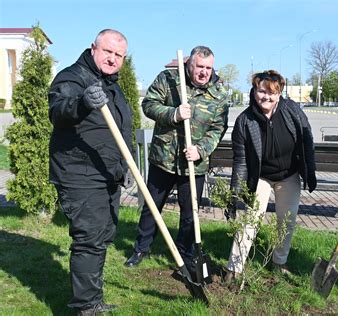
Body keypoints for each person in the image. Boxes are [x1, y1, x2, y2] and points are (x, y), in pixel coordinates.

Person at [48, 29, 133, 315]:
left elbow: (120, 130)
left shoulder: (111, 84)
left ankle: (92, 299)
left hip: (106, 173)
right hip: (80, 174)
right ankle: (86, 307)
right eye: (108, 51)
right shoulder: (73, 78)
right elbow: (59, 111)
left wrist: (125, 164)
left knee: (101, 236)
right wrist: (83, 102)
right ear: (93, 48)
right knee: (89, 238)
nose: (112, 58)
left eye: (118, 55)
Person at [124, 46, 229, 274]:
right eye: (199, 67)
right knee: (152, 206)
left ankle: (185, 253)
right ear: (189, 64)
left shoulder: (219, 94)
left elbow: (219, 127)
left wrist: (201, 150)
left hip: (194, 163)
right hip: (164, 158)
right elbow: (148, 105)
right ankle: (141, 248)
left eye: (208, 68)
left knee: (190, 212)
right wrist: (174, 114)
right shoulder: (170, 79)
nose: (204, 72)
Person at [224, 70, 316, 281]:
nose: (266, 97)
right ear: (254, 91)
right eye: (261, 91)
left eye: (271, 93)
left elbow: (307, 141)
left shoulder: (291, 110)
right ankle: (234, 268)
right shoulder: (244, 121)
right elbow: (241, 161)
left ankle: (279, 262)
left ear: (279, 93)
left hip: (289, 176)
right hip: (261, 177)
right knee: (250, 219)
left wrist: (310, 173)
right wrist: (236, 192)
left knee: (287, 221)